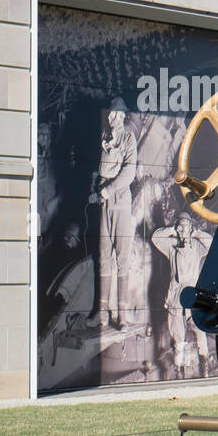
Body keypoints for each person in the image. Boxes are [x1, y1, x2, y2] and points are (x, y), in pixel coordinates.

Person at [86, 98, 137, 329]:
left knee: (122, 260)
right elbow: (100, 168)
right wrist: (95, 188)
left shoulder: (128, 138)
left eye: (118, 115)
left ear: (124, 116)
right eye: (111, 114)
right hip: (103, 204)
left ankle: (122, 316)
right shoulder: (104, 137)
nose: (114, 118)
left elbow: (129, 171)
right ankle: (103, 313)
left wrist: (109, 190)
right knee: (103, 257)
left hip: (120, 203)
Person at [151, 212, 213, 377]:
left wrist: (196, 233)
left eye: (186, 226)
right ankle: (179, 371)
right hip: (176, 294)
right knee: (178, 335)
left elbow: (211, 243)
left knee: (200, 331)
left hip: (194, 294)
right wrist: (172, 229)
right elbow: (156, 238)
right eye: (180, 226)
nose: (182, 230)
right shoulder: (172, 246)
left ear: (191, 227)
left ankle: (204, 367)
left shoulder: (197, 246)